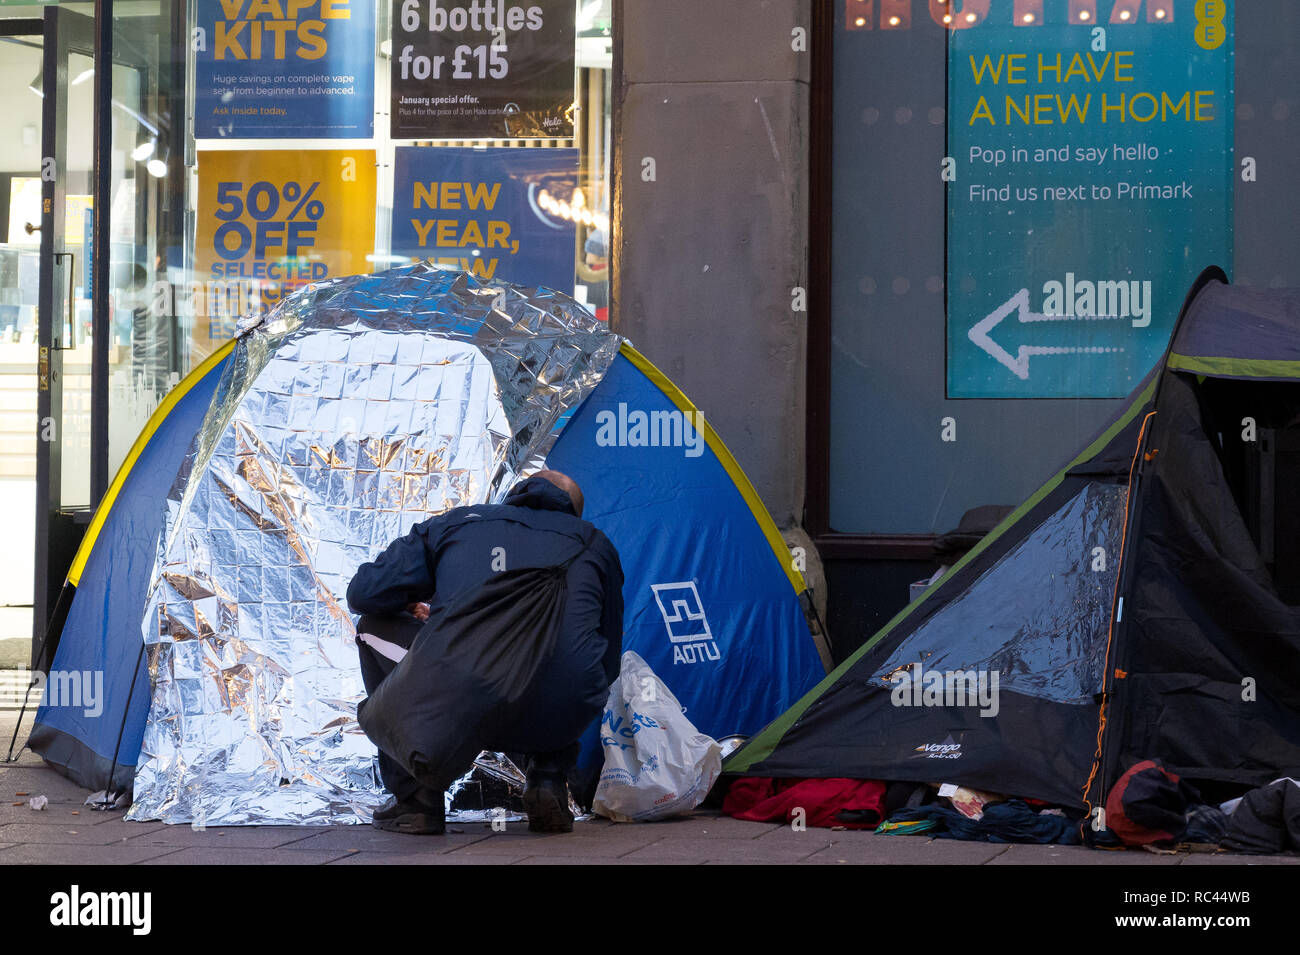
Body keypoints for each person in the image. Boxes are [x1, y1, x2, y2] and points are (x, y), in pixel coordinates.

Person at [347, 470, 624, 835]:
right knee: (567, 659)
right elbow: (607, 660)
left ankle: (418, 800)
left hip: (462, 703)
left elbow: (364, 593)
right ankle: (548, 778)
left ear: (515, 494)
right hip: (557, 715)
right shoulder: (595, 544)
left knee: (372, 626)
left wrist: (440, 620)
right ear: (574, 512)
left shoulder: (457, 524)